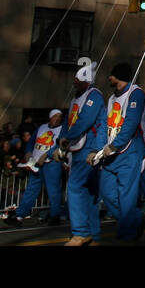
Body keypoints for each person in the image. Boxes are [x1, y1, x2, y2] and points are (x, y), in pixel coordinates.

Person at [88, 62, 145, 243]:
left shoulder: (136, 93)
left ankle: (127, 235)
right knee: (106, 192)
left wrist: (115, 145)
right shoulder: (112, 98)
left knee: (126, 194)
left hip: (129, 150)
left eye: (111, 75)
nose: (109, 78)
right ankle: (133, 218)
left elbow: (130, 122)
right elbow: (105, 125)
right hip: (111, 153)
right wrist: (97, 149)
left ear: (118, 76)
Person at [59, 61, 104, 246]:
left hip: (88, 147)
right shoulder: (75, 99)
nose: (74, 82)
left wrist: (67, 138)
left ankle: (80, 232)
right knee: (89, 193)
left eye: (77, 79)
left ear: (87, 80)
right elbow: (68, 122)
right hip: (78, 148)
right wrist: (60, 141)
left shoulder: (94, 96)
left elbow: (85, 120)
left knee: (75, 188)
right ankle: (93, 233)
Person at [4, 109, 64, 226]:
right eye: (55, 116)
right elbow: (31, 142)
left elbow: (59, 144)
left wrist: (47, 154)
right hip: (36, 163)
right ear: (50, 117)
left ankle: (55, 215)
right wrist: (28, 152)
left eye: (59, 116)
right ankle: (20, 214)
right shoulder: (41, 127)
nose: (57, 118)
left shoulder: (62, 129)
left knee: (53, 190)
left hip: (51, 163)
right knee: (31, 190)